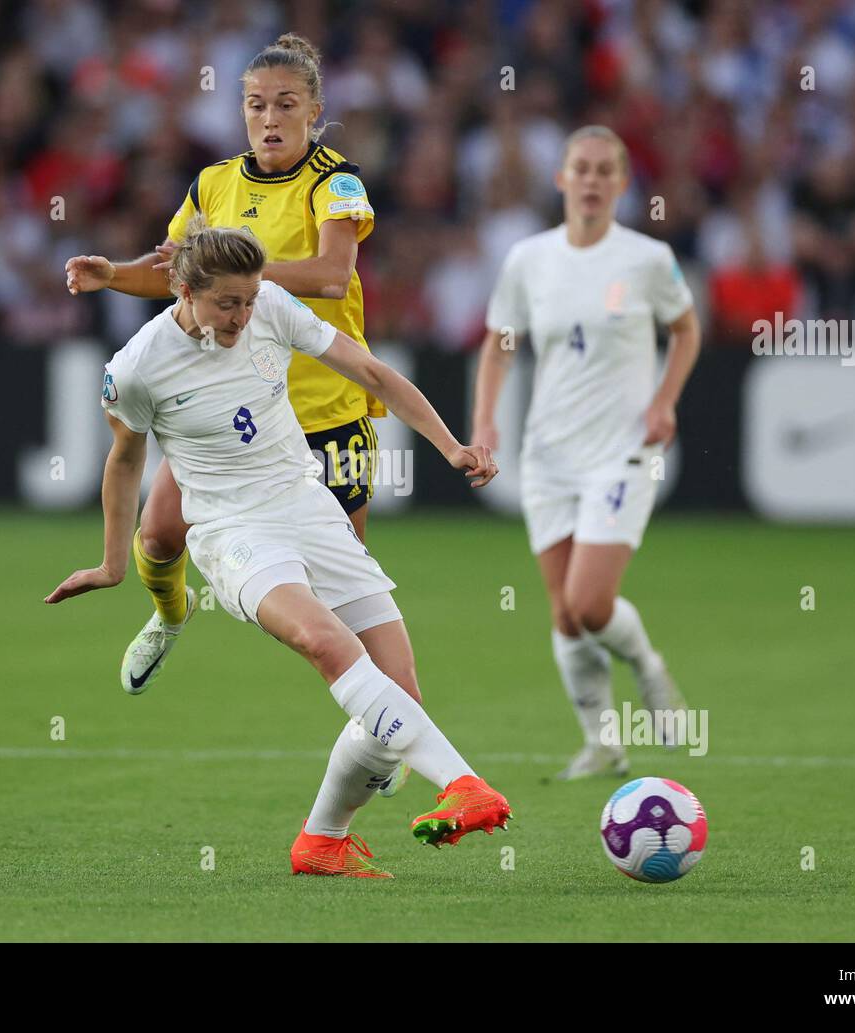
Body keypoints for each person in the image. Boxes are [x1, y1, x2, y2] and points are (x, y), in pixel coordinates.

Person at [45, 218, 511, 877]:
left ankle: (321, 841)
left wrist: (452, 445)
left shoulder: (270, 307)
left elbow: (371, 372)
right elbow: (125, 462)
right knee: (326, 644)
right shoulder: (137, 368)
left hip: (308, 507)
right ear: (181, 288)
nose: (240, 316)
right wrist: (111, 563)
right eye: (225, 303)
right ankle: (464, 783)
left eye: (248, 298)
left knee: (400, 697)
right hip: (232, 532)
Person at [64, 34, 385, 703]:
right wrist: (114, 274)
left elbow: (332, 274)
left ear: (314, 110)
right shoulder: (214, 182)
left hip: (324, 411)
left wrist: (239, 272)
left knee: (342, 595)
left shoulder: (337, 181)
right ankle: (170, 613)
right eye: (256, 105)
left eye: (285, 105)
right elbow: (181, 275)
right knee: (155, 534)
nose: (269, 118)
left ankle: (377, 723)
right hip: (227, 403)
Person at [472, 126, 702, 779]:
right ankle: (603, 742)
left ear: (624, 184)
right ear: (561, 179)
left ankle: (650, 668)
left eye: (607, 170)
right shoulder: (528, 259)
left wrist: (665, 401)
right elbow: (499, 342)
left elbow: (685, 329)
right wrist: (485, 419)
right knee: (564, 611)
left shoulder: (648, 259)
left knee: (591, 602)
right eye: (582, 168)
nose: (593, 180)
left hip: (621, 450)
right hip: (548, 455)